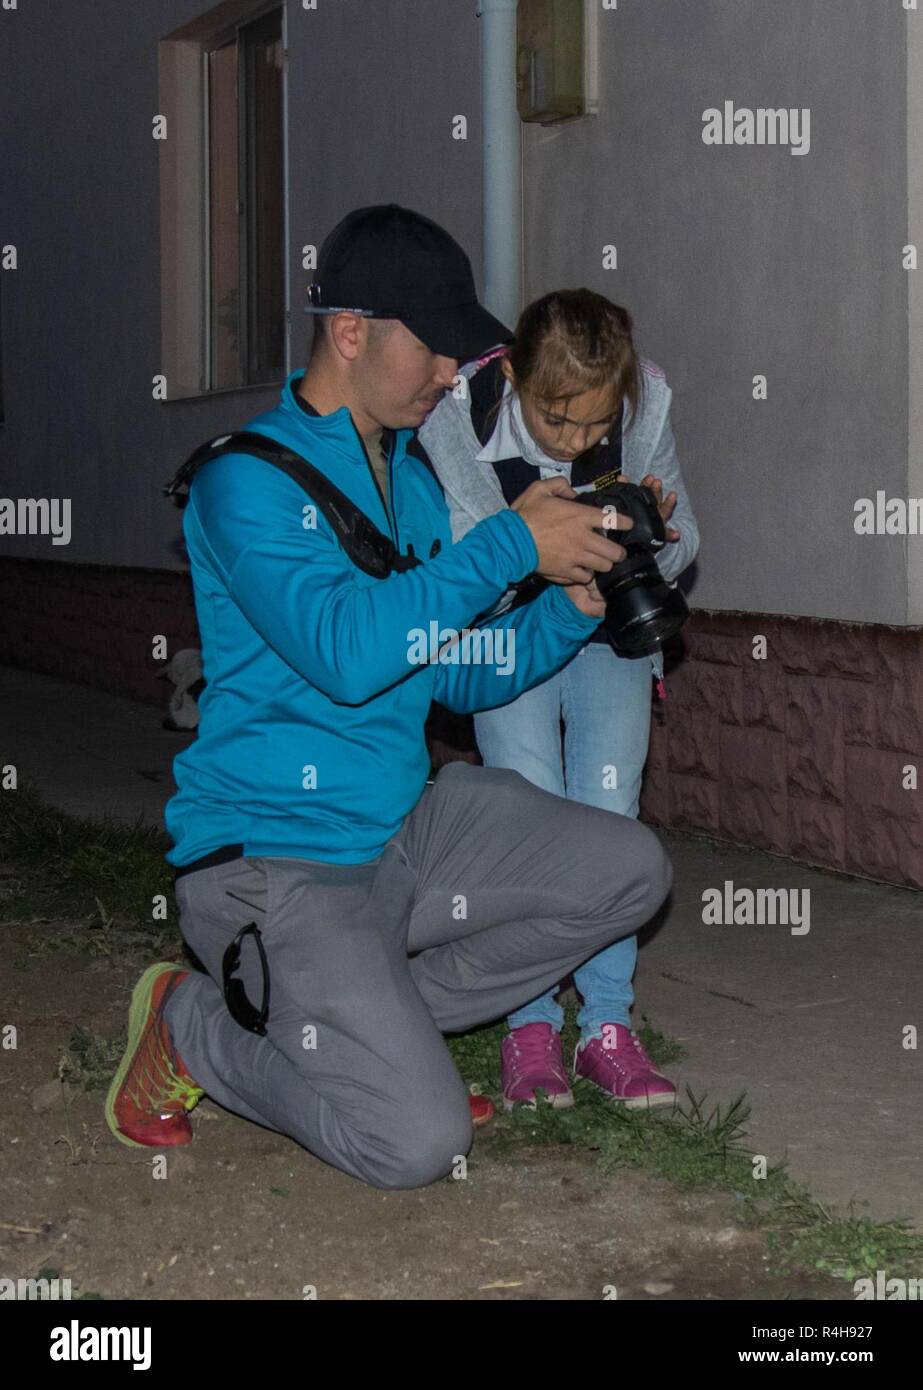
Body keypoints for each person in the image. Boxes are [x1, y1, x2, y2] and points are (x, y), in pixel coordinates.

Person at [104, 205, 672, 1189]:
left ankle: (373, 1019)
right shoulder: (245, 482)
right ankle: (192, 1025)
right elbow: (345, 652)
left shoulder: (406, 483)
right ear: (351, 331)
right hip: (277, 865)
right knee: (415, 1141)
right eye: (436, 350)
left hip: (399, 839)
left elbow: (448, 668)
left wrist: (568, 607)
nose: (452, 375)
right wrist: (507, 546)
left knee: (628, 867)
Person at [420, 289, 698, 1111]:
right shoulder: (455, 421)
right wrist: (532, 551)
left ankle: (607, 1027)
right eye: (557, 421)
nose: (577, 441)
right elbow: (462, 556)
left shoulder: (642, 402)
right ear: (512, 375)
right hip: (506, 636)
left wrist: (664, 536)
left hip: (604, 632)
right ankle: (530, 1027)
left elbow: (687, 546)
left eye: (593, 425)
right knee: (528, 817)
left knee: (609, 814)